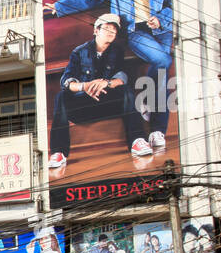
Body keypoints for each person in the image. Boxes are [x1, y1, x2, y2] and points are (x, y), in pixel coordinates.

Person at [46, 0, 173, 142]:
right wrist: (60, 6)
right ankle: (151, 112)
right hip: (135, 30)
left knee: (162, 72)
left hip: (162, 29)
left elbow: (174, 0)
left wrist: (160, 18)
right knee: (163, 61)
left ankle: (157, 131)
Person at [48, 14, 147, 169]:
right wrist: (85, 86)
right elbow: (66, 82)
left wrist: (106, 83)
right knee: (61, 96)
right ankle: (58, 152)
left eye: (114, 29)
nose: (111, 32)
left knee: (125, 91)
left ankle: (137, 140)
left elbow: (122, 77)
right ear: (96, 31)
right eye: (107, 28)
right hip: (83, 108)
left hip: (108, 105)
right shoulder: (79, 52)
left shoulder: (117, 51)